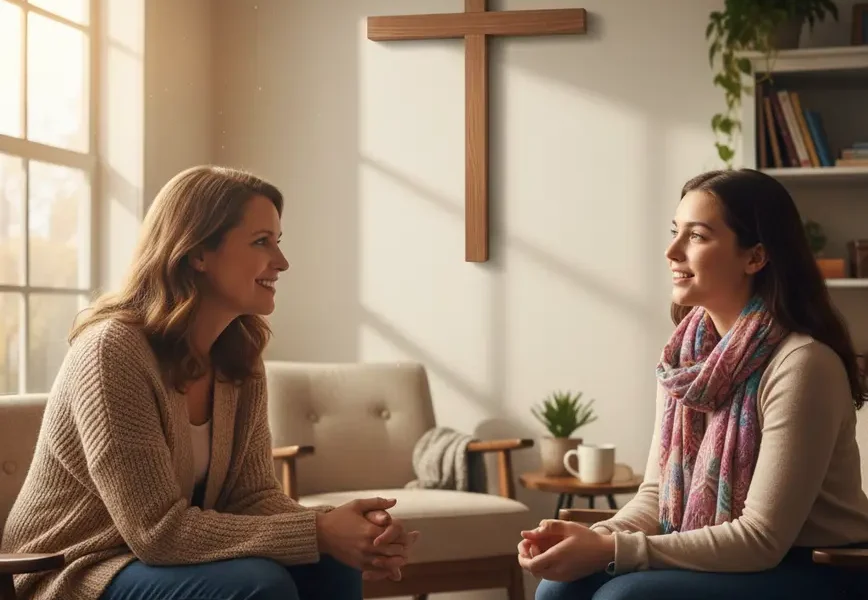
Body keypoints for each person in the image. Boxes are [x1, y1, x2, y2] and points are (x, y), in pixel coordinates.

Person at [0, 165, 419, 600]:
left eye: (278, 241)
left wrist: (348, 527)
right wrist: (319, 530)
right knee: (260, 584)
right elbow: (156, 532)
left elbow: (251, 498)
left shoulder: (239, 358)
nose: (281, 262)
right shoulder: (112, 351)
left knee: (330, 563)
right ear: (198, 253)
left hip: (160, 559)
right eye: (261, 241)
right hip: (75, 568)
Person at [518, 169, 868, 599]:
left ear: (755, 257)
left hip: (819, 567)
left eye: (697, 236)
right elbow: (655, 496)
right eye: (675, 232)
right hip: (734, 559)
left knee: (624, 597)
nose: (672, 251)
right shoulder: (683, 362)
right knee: (558, 589)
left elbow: (761, 538)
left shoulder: (802, 364)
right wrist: (592, 539)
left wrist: (609, 549)